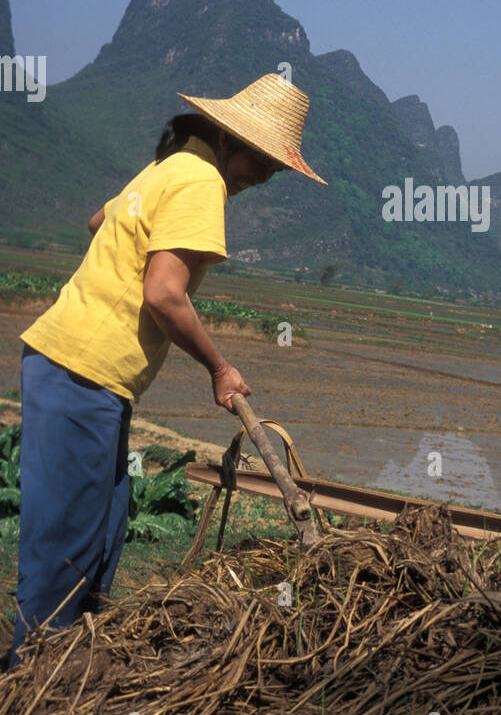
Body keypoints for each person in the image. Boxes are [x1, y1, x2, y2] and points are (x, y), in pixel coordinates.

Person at [7, 72, 326, 668]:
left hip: (77, 372)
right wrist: (219, 367)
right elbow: (164, 294)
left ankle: (67, 678)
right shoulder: (200, 180)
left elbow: (100, 221)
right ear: (234, 143)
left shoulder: (170, 167)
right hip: (82, 374)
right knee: (63, 551)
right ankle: (28, 692)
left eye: (277, 169)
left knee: (100, 536)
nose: (267, 177)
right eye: (266, 163)